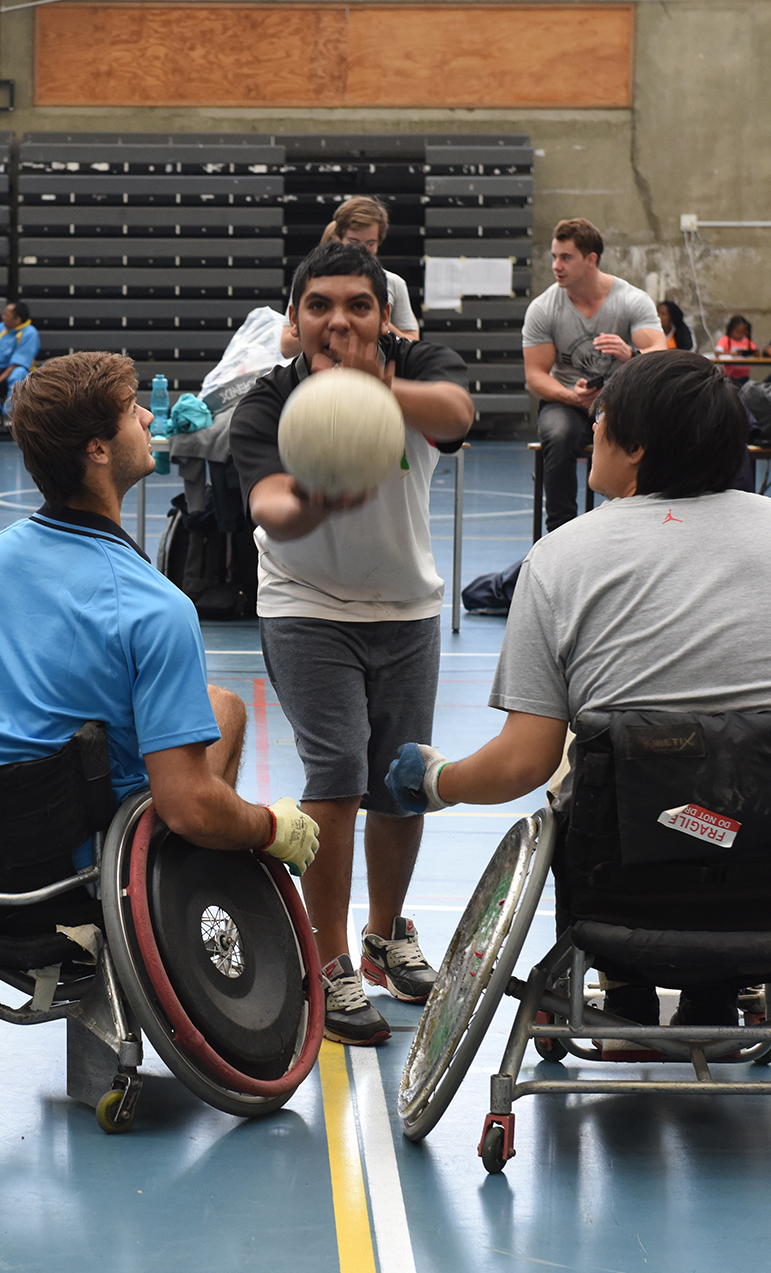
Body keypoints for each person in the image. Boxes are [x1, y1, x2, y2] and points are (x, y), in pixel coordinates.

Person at [389, 350, 771, 1028]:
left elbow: (523, 761)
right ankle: (714, 992)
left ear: (635, 447)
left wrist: (436, 779)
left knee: (590, 757)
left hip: (623, 893)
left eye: (600, 419)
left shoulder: (561, 557)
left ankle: (626, 987)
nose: (591, 430)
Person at [0, 351, 319, 884]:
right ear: (97, 449)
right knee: (219, 735)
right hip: (85, 861)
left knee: (220, 706)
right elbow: (189, 809)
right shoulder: (156, 607)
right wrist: (270, 827)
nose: (147, 418)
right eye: (132, 409)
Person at [229, 242, 476, 1045]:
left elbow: (461, 415)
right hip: (306, 602)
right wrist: (319, 499)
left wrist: (384, 391)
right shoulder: (270, 401)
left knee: (403, 780)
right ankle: (328, 959)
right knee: (336, 771)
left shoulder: (415, 362)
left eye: (357, 305)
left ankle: (384, 936)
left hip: (405, 605)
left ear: (384, 316)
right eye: (320, 305)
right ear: (295, 322)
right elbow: (270, 505)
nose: (339, 319)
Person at [521, 218, 665, 533]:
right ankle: (560, 532)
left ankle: (635, 524)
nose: (556, 266)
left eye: (566, 257)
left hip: (619, 401)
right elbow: (535, 375)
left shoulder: (630, 300)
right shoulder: (544, 308)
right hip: (567, 401)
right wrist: (570, 395)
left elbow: (659, 348)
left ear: (591, 260)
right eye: (554, 257)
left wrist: (631, 355)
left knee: (646, 439)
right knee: (557, 436)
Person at [278, 196, 419, 357]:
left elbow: (412, 344)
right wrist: (318, 329)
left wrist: (377, 321)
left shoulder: (394, 283)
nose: (363, 250)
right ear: (338, 238)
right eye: (354, 241)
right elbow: (286, 348)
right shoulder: (311, 281)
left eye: (370, 243)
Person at [0, 300, 39, 428]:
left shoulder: (30, 333)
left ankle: (9, 415)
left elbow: (18, 363)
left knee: (18, 374)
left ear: (17, 319)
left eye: (6, 315)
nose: (2, 317)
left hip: (15, 370)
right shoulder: (1, 327)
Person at [713, 314, 757, 382]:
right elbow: (718, 353)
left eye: (742, 332)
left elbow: (756, 353)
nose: (740, 335)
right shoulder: (725, 340)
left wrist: (746, 353)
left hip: (744, 376)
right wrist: (729, 354)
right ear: (731, 330)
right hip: (728, 376)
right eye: (737, 332)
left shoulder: (747, 341)